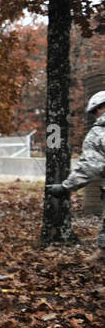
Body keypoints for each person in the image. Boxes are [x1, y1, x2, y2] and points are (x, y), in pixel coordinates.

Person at [47, 90, 105, 261]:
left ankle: (102, 254)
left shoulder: (98, 134)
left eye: (96, 111)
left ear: (102, 107)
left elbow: (89, 165)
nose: (96, 116)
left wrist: (66, 187)